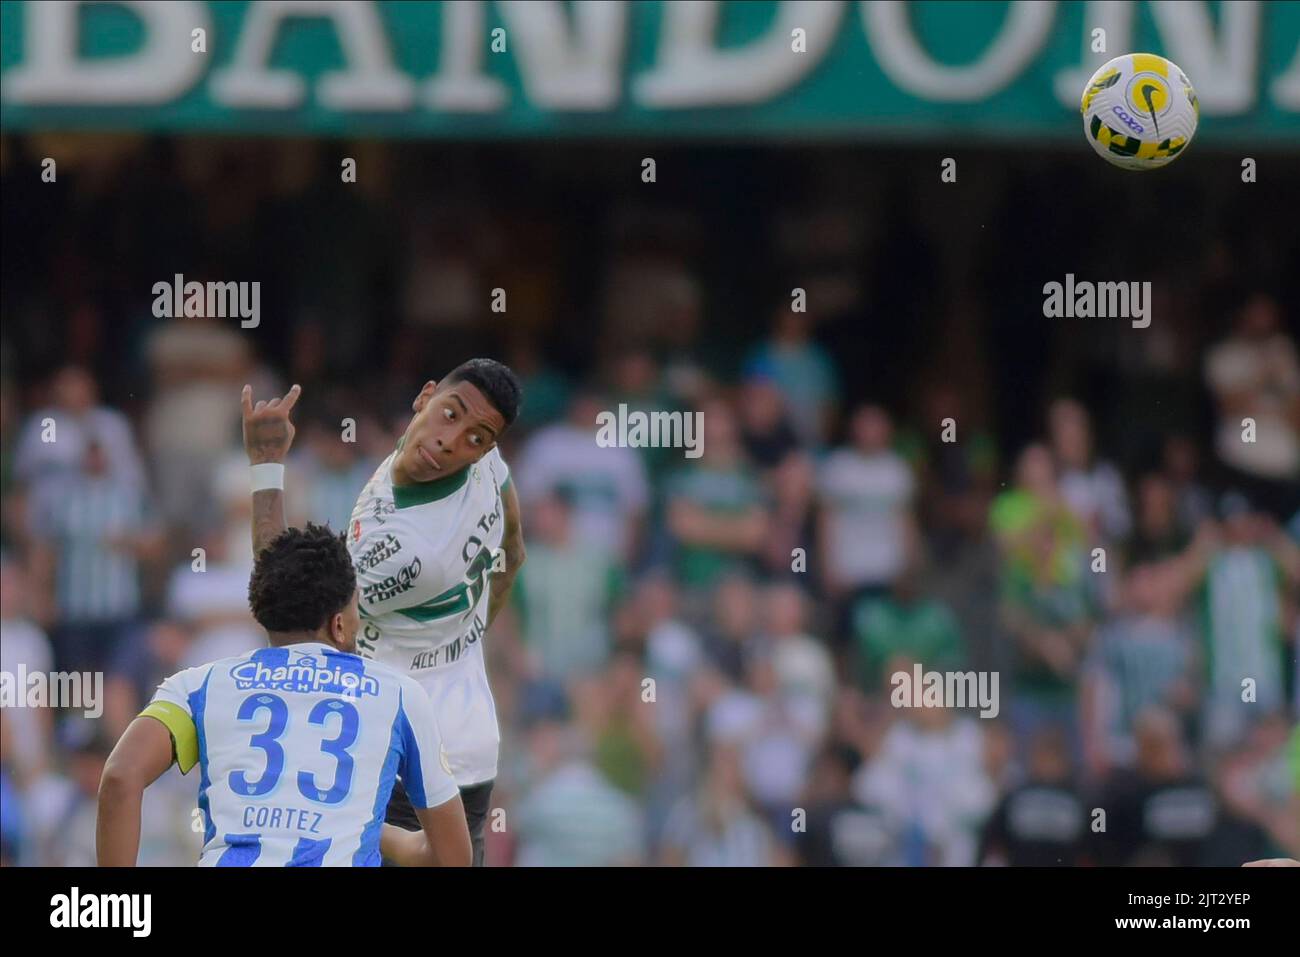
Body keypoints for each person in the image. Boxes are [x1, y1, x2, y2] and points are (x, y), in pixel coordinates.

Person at [96, 385, 471, 867]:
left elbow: (120, 778)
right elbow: (449, 857)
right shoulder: (396, 695)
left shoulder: (198, 687)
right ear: (339, 624)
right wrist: (378, 833)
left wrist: (267, 466)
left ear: (263, 610)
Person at [331, 361, 525, 866]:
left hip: (401, 761)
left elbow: (294, 621)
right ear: (426, 395)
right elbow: (514, 552)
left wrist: (265, 470)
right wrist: (462, 637)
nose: (449, 441)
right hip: (467, 743)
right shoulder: (488, 457)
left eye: (473, 437)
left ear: (484, 446)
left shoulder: (412, 554)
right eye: (450, 414)